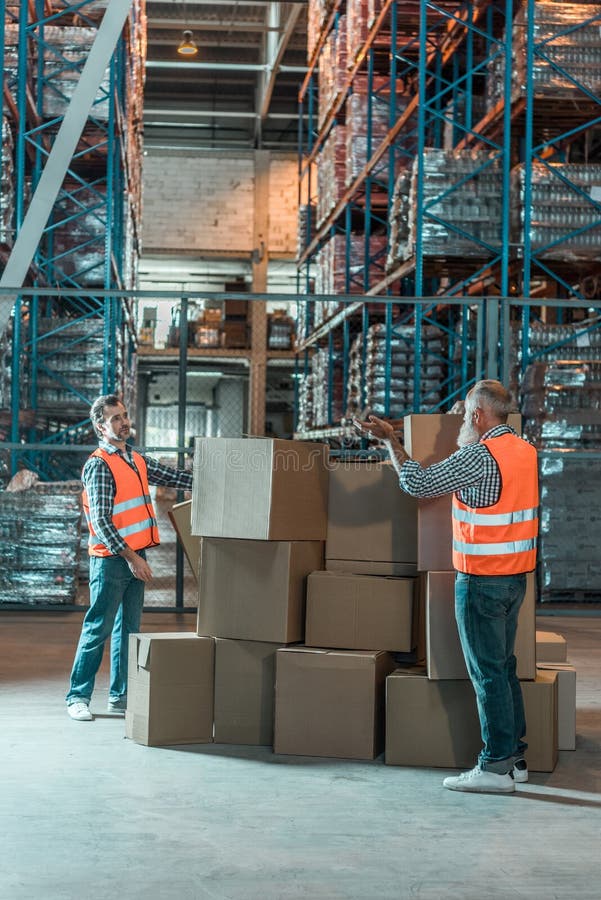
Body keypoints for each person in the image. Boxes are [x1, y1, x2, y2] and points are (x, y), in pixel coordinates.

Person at [355, 379, 539, 795]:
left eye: (465, 414)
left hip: (481, 580)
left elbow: (417, 484)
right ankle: (515, 759)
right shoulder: (524, 450)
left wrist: (390, 441)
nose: (461, 420)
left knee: (487, 673)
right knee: (503, 668)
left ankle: (495, 767)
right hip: (514, 578)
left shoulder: (479, 455)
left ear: (477, 415)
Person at [66, 394, 193, 722]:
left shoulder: (135, 458)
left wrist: (209, 479)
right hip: (112, 560)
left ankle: (120, 696)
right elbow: (101, 522)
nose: (123, 422)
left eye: (124, 415)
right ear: (101, 427)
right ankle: (77, 696)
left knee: (128, 630)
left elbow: (171, 477)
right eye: (115, 418)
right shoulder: (99, 465)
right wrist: (133, 559)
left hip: (135, 556)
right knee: (99, 628)